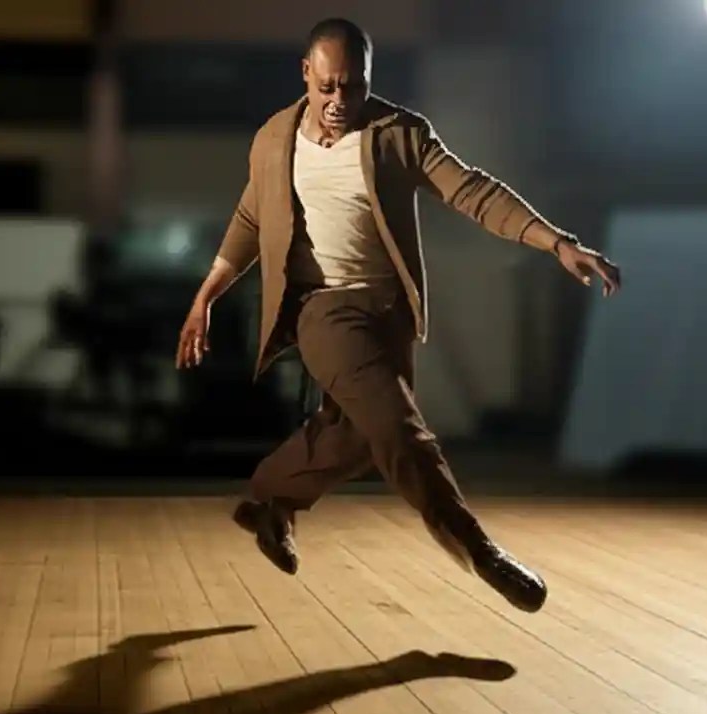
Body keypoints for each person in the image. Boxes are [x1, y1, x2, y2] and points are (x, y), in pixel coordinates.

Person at [175, 18, 621, 613]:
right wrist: (206, 296)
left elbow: (472, 191)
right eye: (327, 86)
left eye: (352, 87)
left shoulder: (398, 134)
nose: (339, 101)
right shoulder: (274, 139)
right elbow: (250, 220)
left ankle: (269, 501)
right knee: (401, 431)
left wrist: (557, 242)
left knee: (361, 438)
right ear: (305, 73)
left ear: (368, 79)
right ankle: (477, 548)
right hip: (324, 310)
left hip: (387, 313)